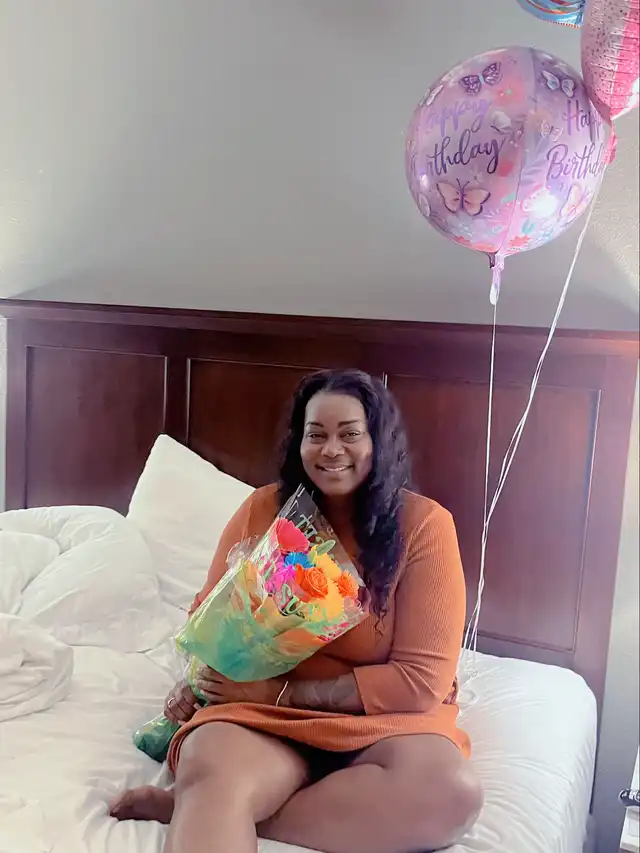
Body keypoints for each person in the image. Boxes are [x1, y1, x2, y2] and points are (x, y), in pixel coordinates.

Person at [111, 369, 483, 853]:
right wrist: (198, 678)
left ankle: (195, 806)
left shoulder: (424, 526)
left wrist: (282, 693)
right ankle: (214, 798)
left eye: (350, 434)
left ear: (379, 442)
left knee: (452, 794)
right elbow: (208, 619)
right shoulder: (265, 508)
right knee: (217, 774)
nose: (332, 450)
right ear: (299, 442)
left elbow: (421, 681)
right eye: (316, 435)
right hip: (260, 719)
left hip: (382, 724)